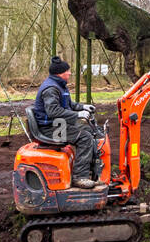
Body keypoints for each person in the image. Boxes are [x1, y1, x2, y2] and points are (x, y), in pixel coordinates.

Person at [33, 55, 101, 189]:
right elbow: (54, 111)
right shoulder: (51, 89)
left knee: (88, 130)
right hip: (50, 128)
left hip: (56, 124)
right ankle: (80, 177)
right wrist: (77, 115)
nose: (70, 73)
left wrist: (83, 107)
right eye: (67, 71)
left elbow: (68, 104)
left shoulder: (59, 86)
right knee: (85, 138)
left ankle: (91, 170)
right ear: (60, 73)